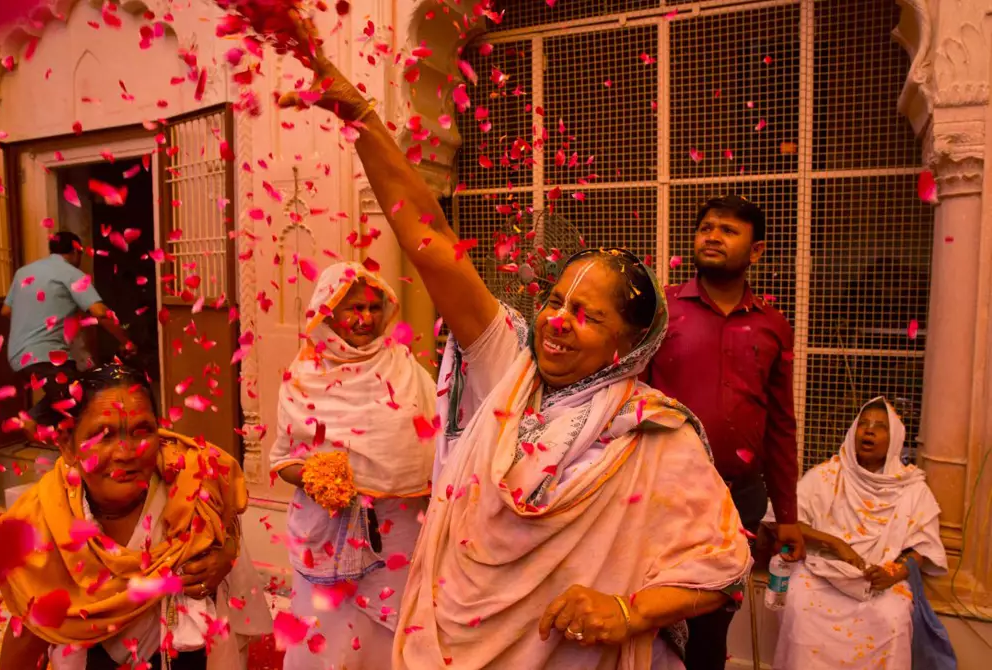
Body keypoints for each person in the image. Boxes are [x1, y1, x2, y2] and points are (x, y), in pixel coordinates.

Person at [274, 14, 751, 669]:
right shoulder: (510, 369)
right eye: (556, 300)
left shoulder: (653, 434)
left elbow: (723, 568)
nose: (556, 320)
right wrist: (361, 118)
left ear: (630, 344)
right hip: (455, 643)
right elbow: (435, 247)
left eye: (586, 316)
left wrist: (626, 611)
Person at [0, 363, 272, 670]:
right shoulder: (43, 518)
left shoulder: (192, 482)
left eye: (142, 431)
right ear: (67, 445)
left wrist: (226, 553)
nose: (126, 452)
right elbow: (27, 636)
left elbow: (228, 523)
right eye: (103, 436)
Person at [642, 194, 806, 668]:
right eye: (707, 227)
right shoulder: (662, 308)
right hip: (661, 494)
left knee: (710, 628)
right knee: (651, 620)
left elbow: (780, 424)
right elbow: (628, 396)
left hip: (738, 501)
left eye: (729, 230)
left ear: (756, 251)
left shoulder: (773, 325)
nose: (712, 235)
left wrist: (788, 512)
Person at [270, 261, 437, 668]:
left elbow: (435, 447)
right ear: (327, 312)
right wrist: (317, 478)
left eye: (373, 307)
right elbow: (282, 460)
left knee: (388, 640)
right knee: (326, 643)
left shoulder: (406, 369)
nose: (365, 318)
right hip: (326, 531)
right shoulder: (302, 375)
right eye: (353, 308)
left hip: (397, 532)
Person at [762, 398, 947, 669]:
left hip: (878, 582)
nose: (869, 431)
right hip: (821, 572)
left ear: (894, 439)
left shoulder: (912, 489)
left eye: (879, 427)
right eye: (863, 424)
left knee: (893, 615)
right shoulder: (826, 475)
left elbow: (923, 549)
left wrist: (895, 572)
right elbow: (782, 521)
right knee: (800, 603)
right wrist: (835, 543)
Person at [2, 231, 132, 422]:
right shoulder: (72, 275)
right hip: (45, 354)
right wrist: (126, 341)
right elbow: (100, 312)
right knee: (79, 397)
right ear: (76, 250)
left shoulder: (24, 272)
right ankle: (30, 421)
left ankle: (35, 423)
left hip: (17, 354)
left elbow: (6, 310)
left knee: (71, 390)